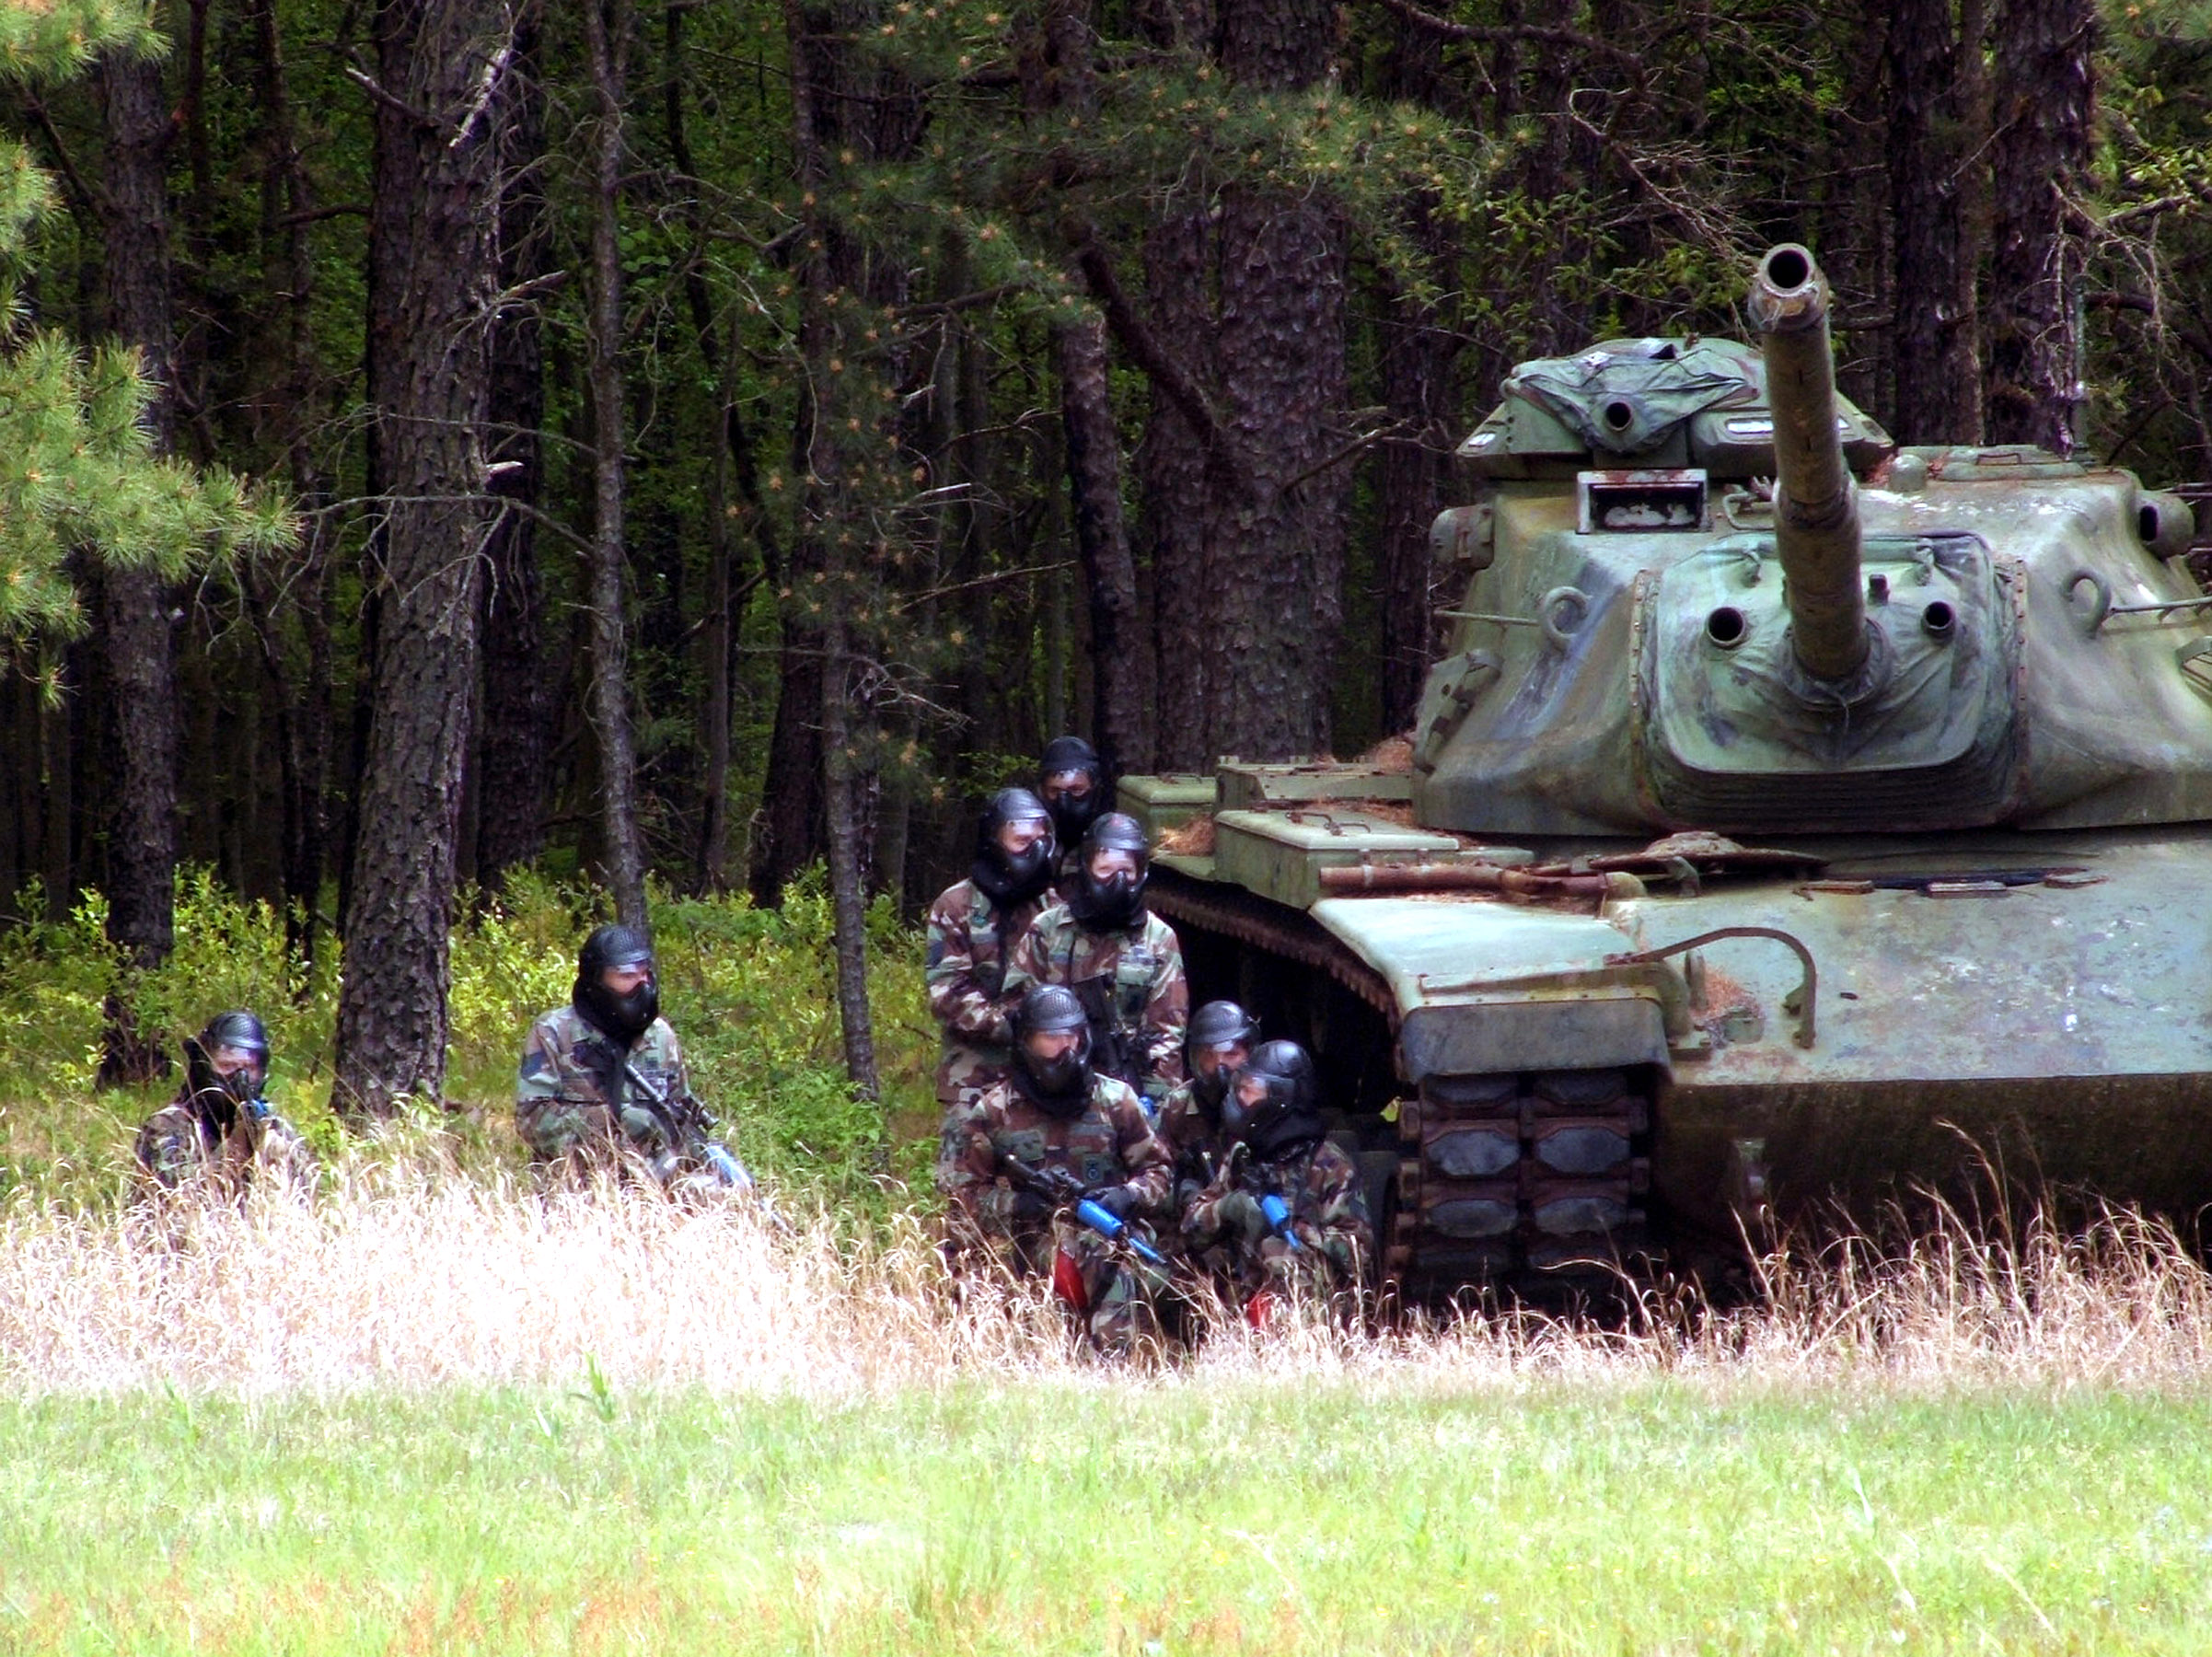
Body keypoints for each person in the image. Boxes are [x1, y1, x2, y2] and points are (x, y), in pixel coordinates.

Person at [937, 984, 1174, 1352]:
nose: (1066, 1048)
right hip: (1031, 1243)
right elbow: (963, 1197)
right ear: (1027, 1042)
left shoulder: (1116, 1100)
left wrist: (1127, 1194)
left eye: (1072, 1036)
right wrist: (1018, 1206)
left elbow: (1160, 1174)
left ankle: (1112, 1371)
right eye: (1051, 1038)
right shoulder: (995, 1110)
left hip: (1113, 1238)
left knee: (1111, 1260)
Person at [516, 922, 752, 1194]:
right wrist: (614, 1121)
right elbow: (530, 1122)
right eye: (627, 976)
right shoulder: (554, 1032)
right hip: (575, 1190)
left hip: (652, 1188)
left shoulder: (659, 1036)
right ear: (596, 980)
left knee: (723, 1194)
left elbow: (678, 1114)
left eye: (645, 974)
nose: (642, 984)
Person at [1002, 812, 1188, 1115]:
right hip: (1048, 1082)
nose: (1116, 880)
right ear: (1088, 869)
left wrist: (1156, 1103)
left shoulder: (1158, 938)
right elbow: (1015, 1007)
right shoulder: (1049, 929)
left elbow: (1167, 1031)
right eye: (1105, 870)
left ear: (1140, 873)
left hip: (1126, 1089)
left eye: (1126, 871)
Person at [1180, 1038, 1372, 1315]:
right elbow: (1190, 1230)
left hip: (1310, 1307)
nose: (1240, 1100)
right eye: (1241, 1089)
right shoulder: (1242, 1156)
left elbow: (1356, 1254)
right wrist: (1229, 1206)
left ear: (1280, 1099)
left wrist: (1289, 1230)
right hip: (1242, 1300)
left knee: (1278, 1252)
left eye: (1250, 1091)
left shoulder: (1329, 1165)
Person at [924, 787, 1057, 1118]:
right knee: (968, 1170)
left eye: (1040, 841)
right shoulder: (955, 906)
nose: (1035, 851)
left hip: (1046, 1076)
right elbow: (947, 993)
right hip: (974, 1076)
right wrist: (1012, 1023)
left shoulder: (1054, 909)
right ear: (994, 842)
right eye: (1023, 842)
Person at [134, 1010, 314, 1199]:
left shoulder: (276, 1127)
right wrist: (237, 1147)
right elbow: (182, 1205)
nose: (239, 1078)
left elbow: (303, 1201)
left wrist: (269, 1147)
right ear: (203, 1067)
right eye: (227, 1066)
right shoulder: (166, 1126)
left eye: (249, 1068)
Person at [1156, 998, 1260, 1218]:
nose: (1219, 1067)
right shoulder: (1178, 1105)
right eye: (1208, 1056)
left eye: (1231, 1055)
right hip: (1195, 1225)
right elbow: (1154, 1173)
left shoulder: (1262, 1100)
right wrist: (1182, 1194)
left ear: (1249, 1055)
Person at [1037, 735, 1107, 880]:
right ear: (1043, 792)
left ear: (1095, 789)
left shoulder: (1111, 839)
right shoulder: (1031, 840)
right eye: (1054, 791)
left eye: (1076, 790)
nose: (1064, 802)